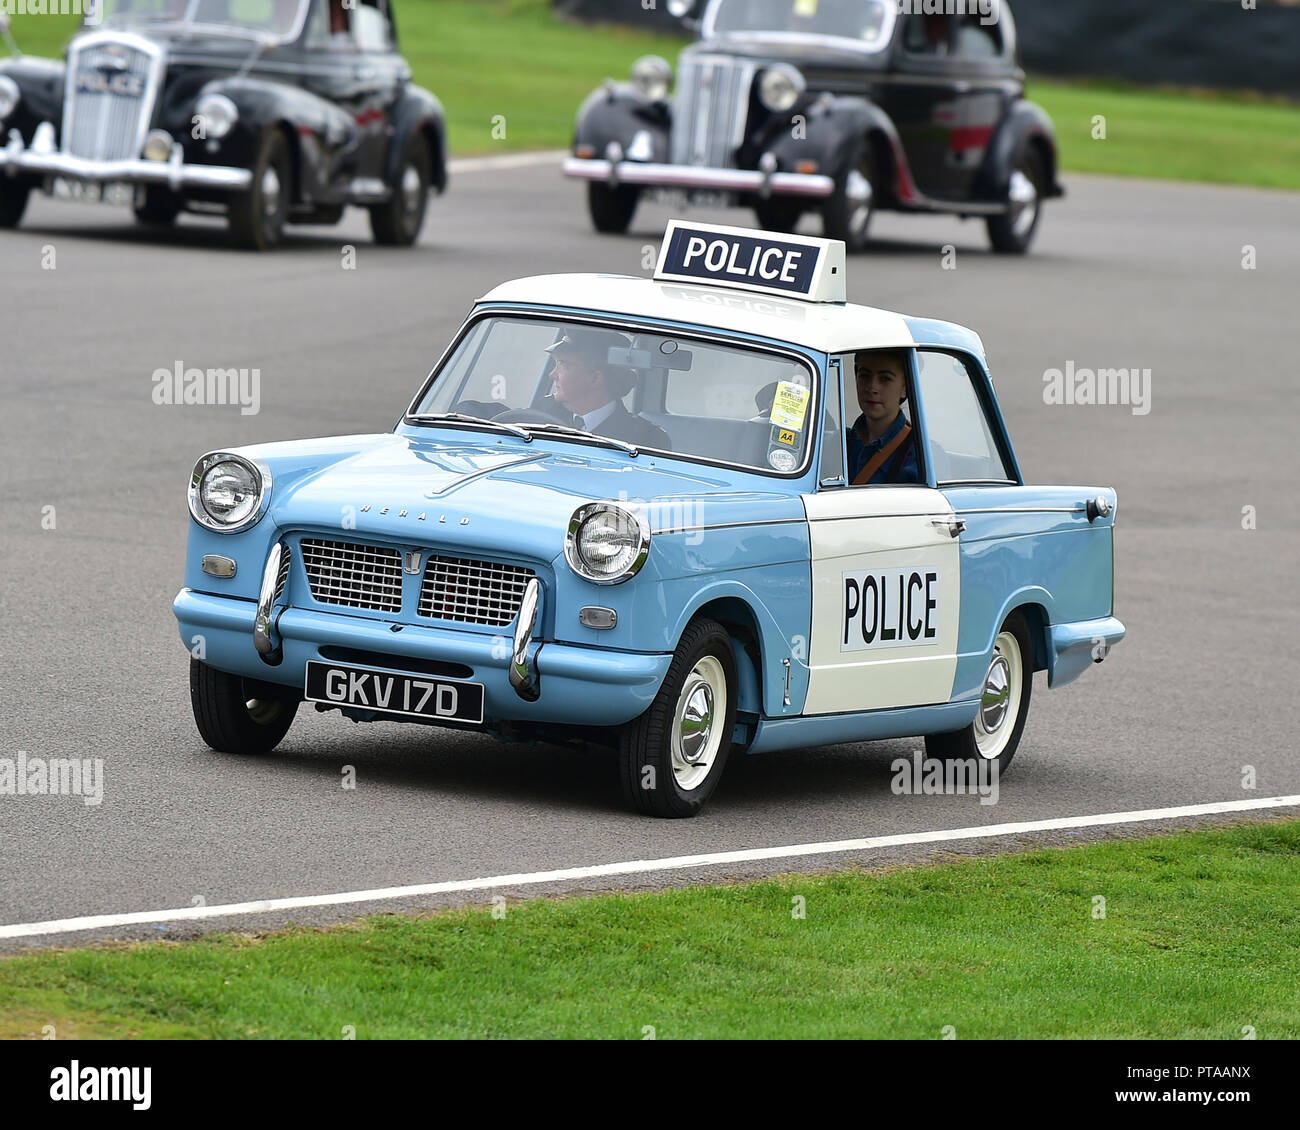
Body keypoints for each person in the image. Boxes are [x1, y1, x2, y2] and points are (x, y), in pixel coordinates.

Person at [543, 330, 671, 450]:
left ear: (595, 378)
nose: (552, 375)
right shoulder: (542, 414)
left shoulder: (648, 439)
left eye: (564, 366)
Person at [846, 349, 919, 485]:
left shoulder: (921, 455)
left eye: (885, 378)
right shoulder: (836, 443)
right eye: (864, 376)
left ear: (905, 387)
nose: (872, 387)